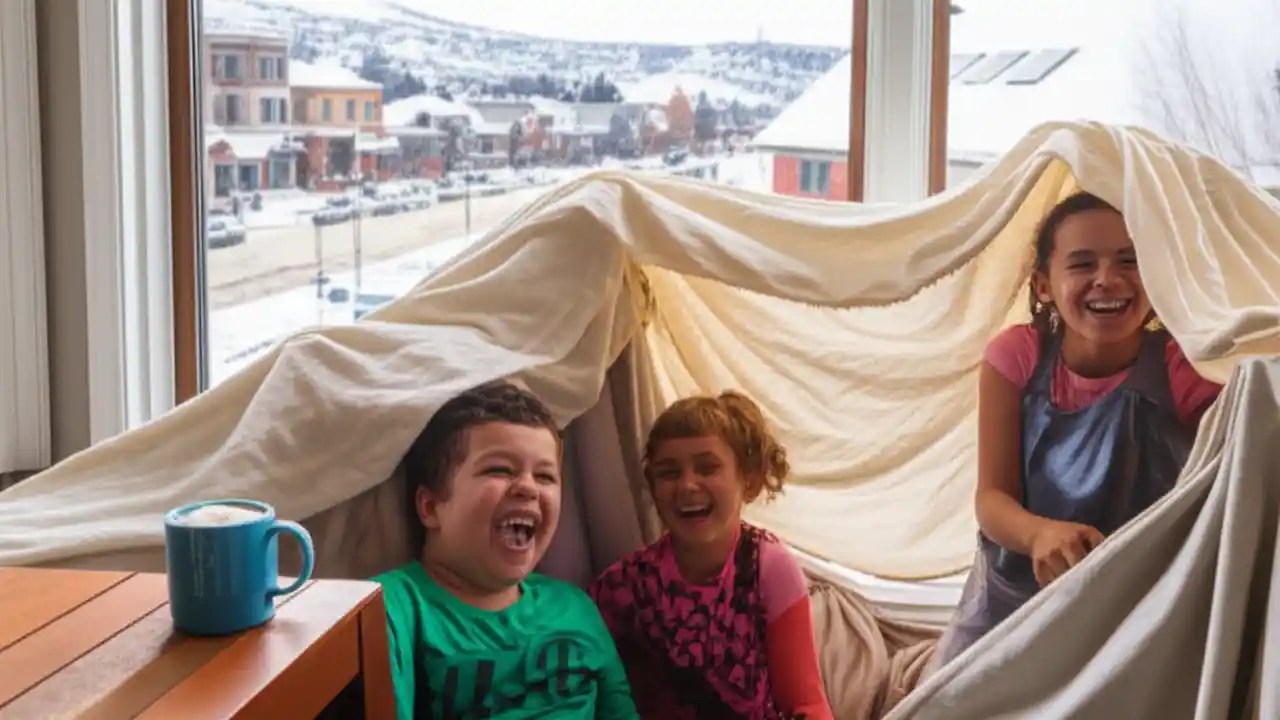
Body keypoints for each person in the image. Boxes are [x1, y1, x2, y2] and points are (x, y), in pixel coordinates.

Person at [933, 191, 1223, 665]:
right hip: (1015, 611)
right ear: (1043, 284)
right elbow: (992, 500)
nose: (1107, 280)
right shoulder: (1017, 358)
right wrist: (1039, 535)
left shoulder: (1183, 369)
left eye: (1129, 261)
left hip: (1133, 617)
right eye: (1082, 264)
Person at [374, 381, 638, 720]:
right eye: (498, 469)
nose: (527, 487)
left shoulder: (574, 606)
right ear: (430, 507)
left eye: (545, 476)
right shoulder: (391, 607)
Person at [589, 391, 833, 720]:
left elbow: (806, 704)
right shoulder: (623, 588)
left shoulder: (767, 565)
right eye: (669, 472)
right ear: (653, 488)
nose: (688, 485)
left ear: (748, 481)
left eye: (707, 468)